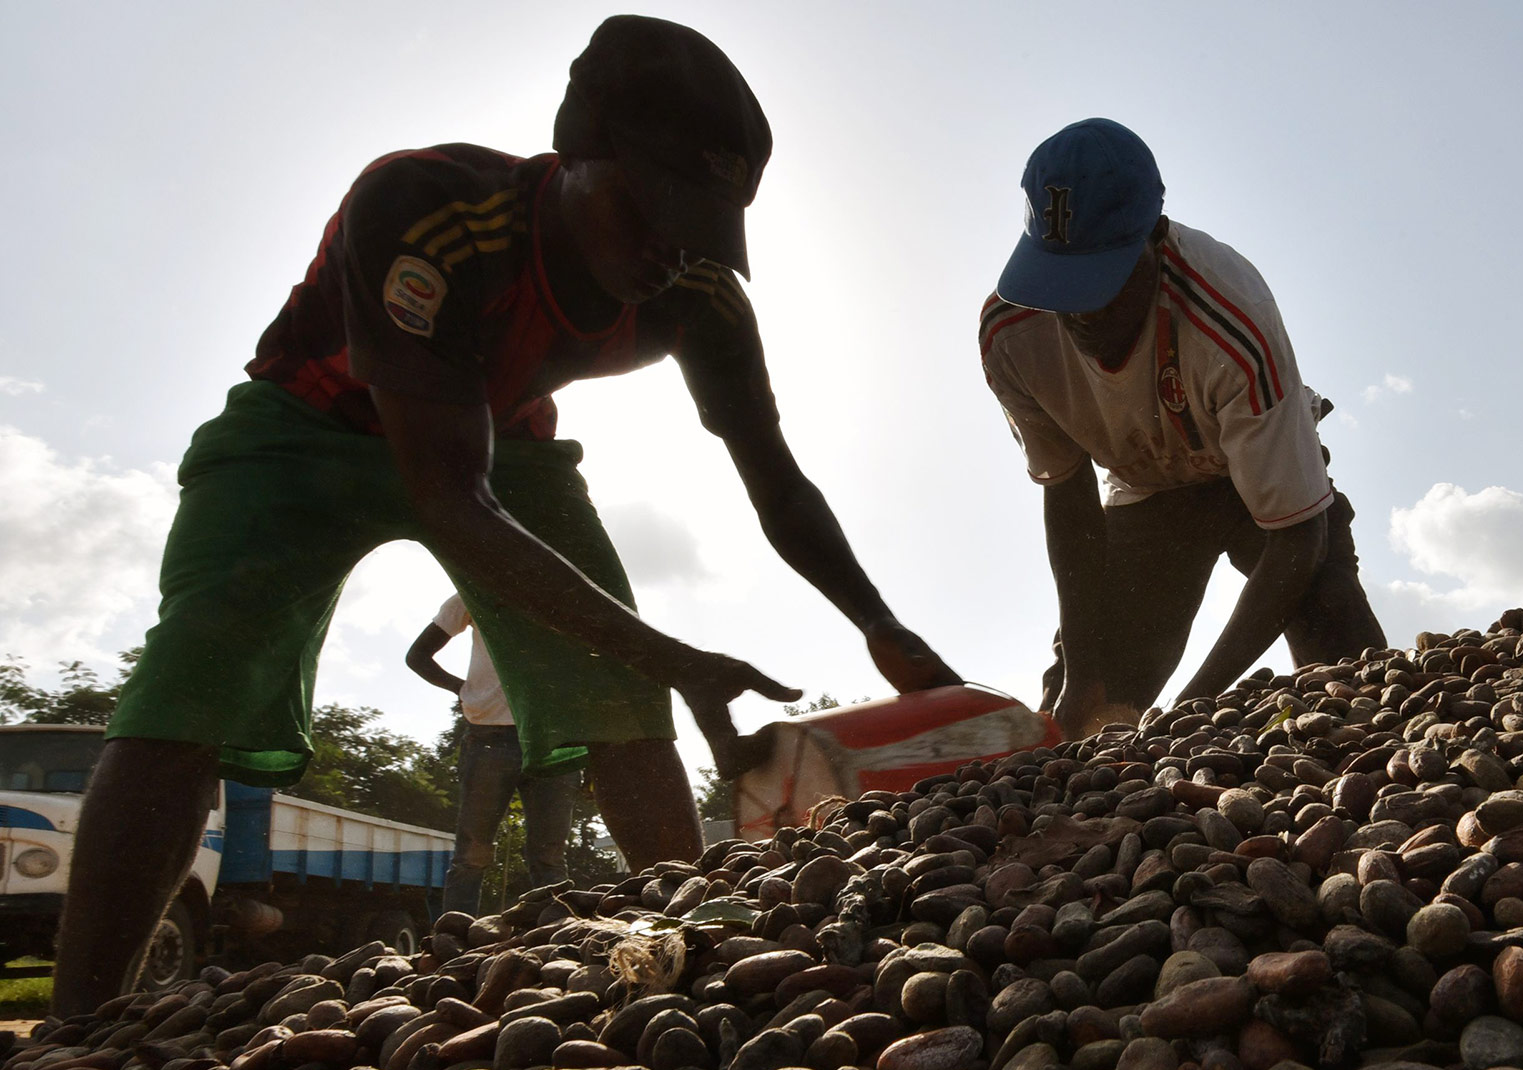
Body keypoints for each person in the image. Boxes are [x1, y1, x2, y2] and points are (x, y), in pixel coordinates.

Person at [51, 15, 957, 1015]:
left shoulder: (697, 293)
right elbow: (451, 500)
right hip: (309, 425)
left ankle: (703, 965)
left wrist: (880, 623)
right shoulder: (426, 207)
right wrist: (673, 654)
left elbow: (776, 480)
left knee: (618, 689)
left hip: (501, 437)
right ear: (579, 147)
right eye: (649, 207)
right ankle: (78, 1024)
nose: (668, 249)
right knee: (195, 681)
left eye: (696, 223)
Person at [979, 118, 1385, 738]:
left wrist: (1192, 709)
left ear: (1156, 240)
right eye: (1064, 286)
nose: (1080, 314)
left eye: (1102, 285)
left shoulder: (1231, 314)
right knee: (1088, 703)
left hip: (1251, 476)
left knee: (1347, 659)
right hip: (1147, 492)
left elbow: (1297, 536)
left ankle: (1362, 729)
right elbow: (1068, 496)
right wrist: (1082, 675)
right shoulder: (1012, 335)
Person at [408, 592, 583, 915]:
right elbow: (417, 656)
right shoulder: (474, 591)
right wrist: (462, 689)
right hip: (491, 735)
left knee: (549, 856)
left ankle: (555, 934)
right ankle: (456, 936)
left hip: (554, 738)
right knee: (471, 854)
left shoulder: (565, 591)